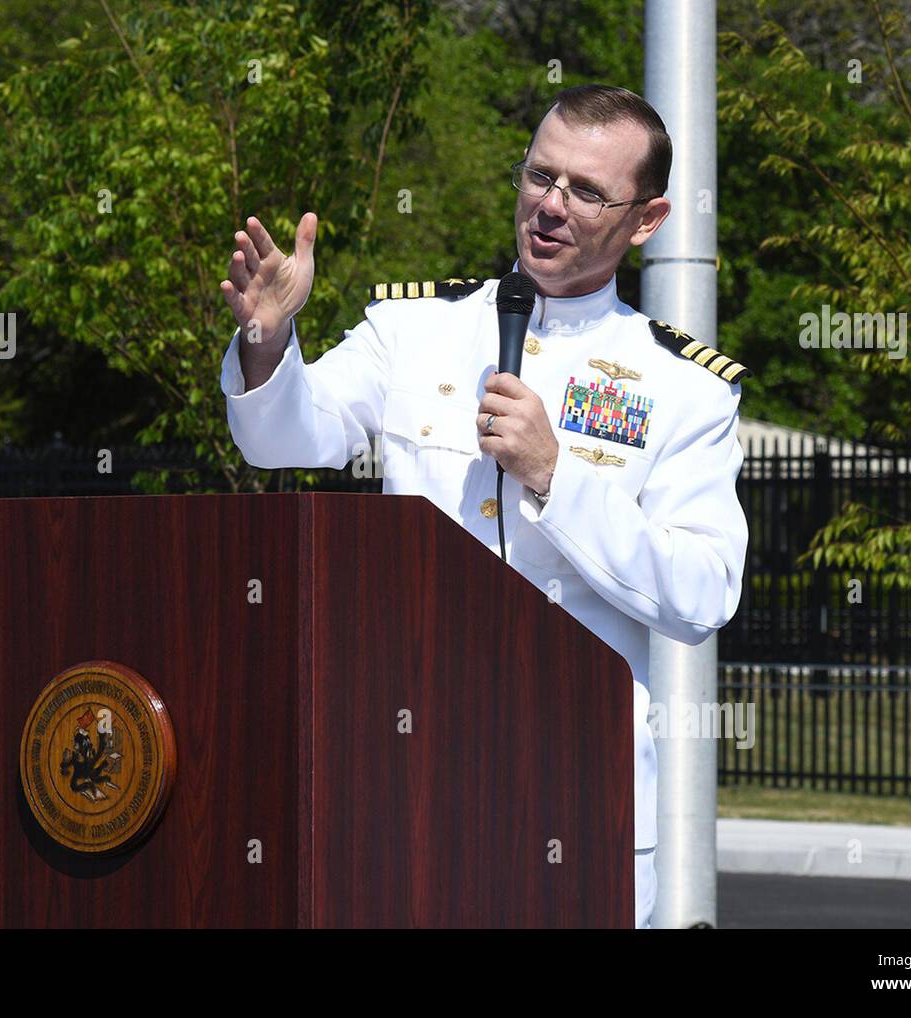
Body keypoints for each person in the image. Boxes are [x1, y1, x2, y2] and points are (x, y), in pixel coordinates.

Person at [218, 84, 749, 929]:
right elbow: (286, 438)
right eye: (540, 176)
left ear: (646, 220)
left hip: (577, 802)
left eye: (586, 191)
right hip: (400, 789)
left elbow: (701, 594)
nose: (550, 206)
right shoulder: (416, 329)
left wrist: (556, 476)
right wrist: (267, 338)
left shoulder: (683, 390)